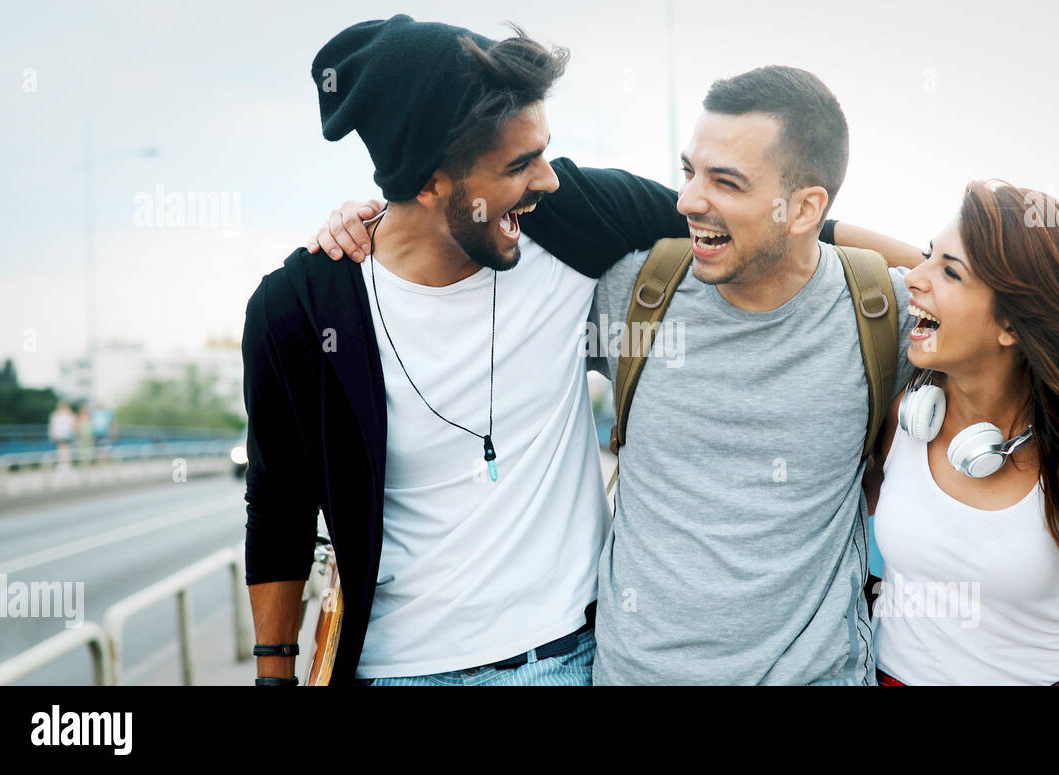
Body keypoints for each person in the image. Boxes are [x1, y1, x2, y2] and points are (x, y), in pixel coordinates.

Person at [320, 66, 921, 684]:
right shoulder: (633, 294)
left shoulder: (885, 311)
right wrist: (378, 225)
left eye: (726, 182)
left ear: (804, 209)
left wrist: (927, 262)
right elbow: (455, 300)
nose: (686, 200)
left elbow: (1001, 306)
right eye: (689, 172)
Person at [245, 16, 765, 687]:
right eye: (520, 164)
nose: (547, 179)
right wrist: (272, 675)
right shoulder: (299, 308)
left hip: (571, 658)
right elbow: (279, 502)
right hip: (396, 671)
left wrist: (926, 270)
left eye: (543, 151)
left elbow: (751, 231)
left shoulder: (570, 218)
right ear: (430, 183)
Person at [863, 181, 1059, 685]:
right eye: (927, 256)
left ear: (1011, 325)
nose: (914, 277)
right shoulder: (906, 419)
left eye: (949, 271)